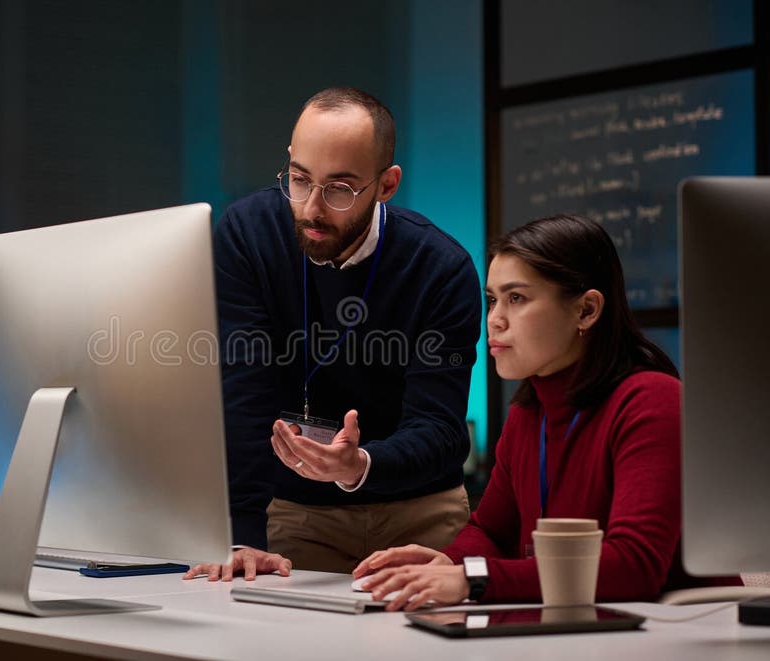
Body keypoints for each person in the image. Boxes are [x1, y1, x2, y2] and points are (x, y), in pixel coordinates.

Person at [351, 214, 740, 610]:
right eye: (492, 300)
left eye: (516, 298)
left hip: (681, 634)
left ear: (586, 310)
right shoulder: (528, 412)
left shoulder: (652, 401)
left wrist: (474, 579)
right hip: (588, 632)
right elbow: (492, 531)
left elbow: (633, 565)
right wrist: (448, 562)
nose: (494, 320)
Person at [184, 87, 480, 580]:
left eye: (340, 189)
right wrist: (242, 536)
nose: (312, 208)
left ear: (386, 184)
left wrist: (358, 464)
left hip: (419, 513)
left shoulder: (440, 267)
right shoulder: (249, 235)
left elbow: (443, 431)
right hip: (299, 512)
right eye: (299, 180)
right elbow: (243, 393)